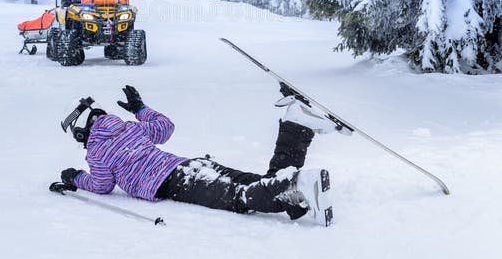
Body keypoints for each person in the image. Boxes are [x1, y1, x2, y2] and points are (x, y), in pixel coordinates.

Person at [50, 84, 343, 225]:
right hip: (190, 166)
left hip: (177, 182)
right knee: (257, 183)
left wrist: (76, 178)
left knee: (240, 198)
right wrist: (141, 109)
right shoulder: (128, 127)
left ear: (78, 131)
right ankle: (296, 126)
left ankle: (297, 182)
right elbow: (165, 128)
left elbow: (102, 185)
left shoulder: (96, 153)